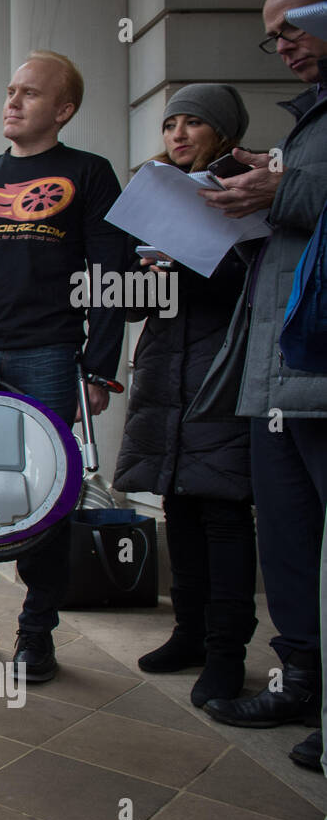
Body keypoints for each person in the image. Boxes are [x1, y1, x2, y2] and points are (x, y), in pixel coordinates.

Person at [0, 50, 130, 682]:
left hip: (49, 356)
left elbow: (111, 276)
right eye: (11, 91)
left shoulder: (90, 174)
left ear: (63, 110)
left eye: (31, 95)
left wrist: (96, 370)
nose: (12, 102)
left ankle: (37, 630)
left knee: (44, 499)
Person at [193, 0, 327, 820]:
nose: (275, 42)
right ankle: (304, 683)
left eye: (291, 25)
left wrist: (283, 186)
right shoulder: (306, 118)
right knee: (287, 543)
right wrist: (259, 188)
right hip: (276, 372)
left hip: (317, 371)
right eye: (270, 31)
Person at [113, 84, 258, 709]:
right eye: (171, 123)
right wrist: (145, 273)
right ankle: (189, 635)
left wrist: (183, 260)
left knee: (224, 512)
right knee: (182, 507)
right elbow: (136, 301)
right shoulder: (157, 193)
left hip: (223, 371)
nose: (177, 134)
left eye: (193, 122)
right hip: (168, 371)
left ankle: (228, 653)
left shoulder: (249, 189)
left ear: (221, 133)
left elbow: (250, 276)